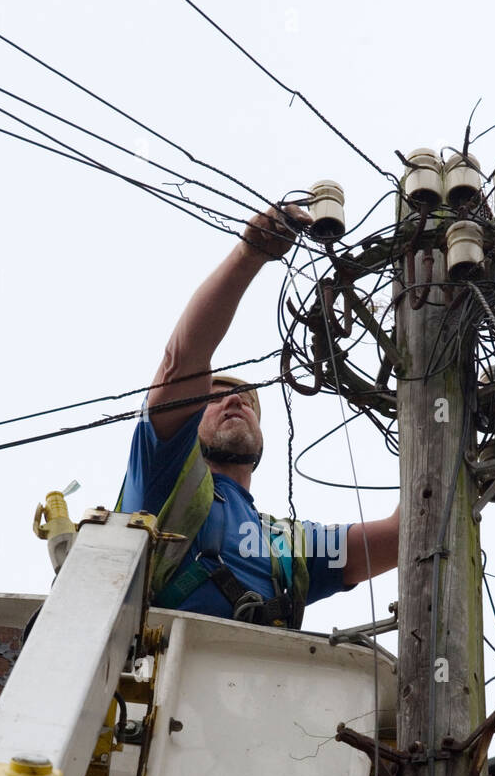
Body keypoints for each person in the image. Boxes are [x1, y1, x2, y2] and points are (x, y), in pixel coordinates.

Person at [119, 204, 399, 628]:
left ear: (263, 441)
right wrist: (249, 255)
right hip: (163, 683)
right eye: (216, 398)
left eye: (247, 400)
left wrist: (465, 463)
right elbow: (184, 359)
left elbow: (405, 536)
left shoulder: (286, 542)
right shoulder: (165, 479)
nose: (236, 402)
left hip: (259, 686)